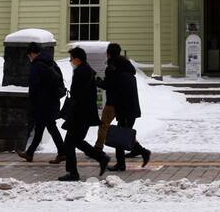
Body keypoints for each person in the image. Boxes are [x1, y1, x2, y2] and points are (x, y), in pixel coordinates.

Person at [96, 42, 152, 170]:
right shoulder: (127, 69)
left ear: (108, 53)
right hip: (130, 107)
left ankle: (122, 163)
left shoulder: (113, 68)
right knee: (124, 134)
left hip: (122, 107)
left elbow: (109, 85)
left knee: (120, 135)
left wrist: (97, 82)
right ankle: (141, 152)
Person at [59, 46, 111, 181]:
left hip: (80, 114)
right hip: (84, 114)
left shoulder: (81, 72)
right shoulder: (87, 70)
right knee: (76, 141)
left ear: (77, 59)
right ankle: (101, 158)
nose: (70, 61)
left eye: (71, 58)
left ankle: (73, 173)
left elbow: (78, 94)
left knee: (70, 143)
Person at [17, 43, 66, 164]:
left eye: (29, 56)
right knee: (41, 128)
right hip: (52, 101)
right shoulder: (51, 62)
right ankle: (29, 153)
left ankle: (62, 152)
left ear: (33, 53)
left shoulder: (37, 65)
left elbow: (34, 87)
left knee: (50, 127)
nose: (30, 58)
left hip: (42, 103)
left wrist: (32, 103)